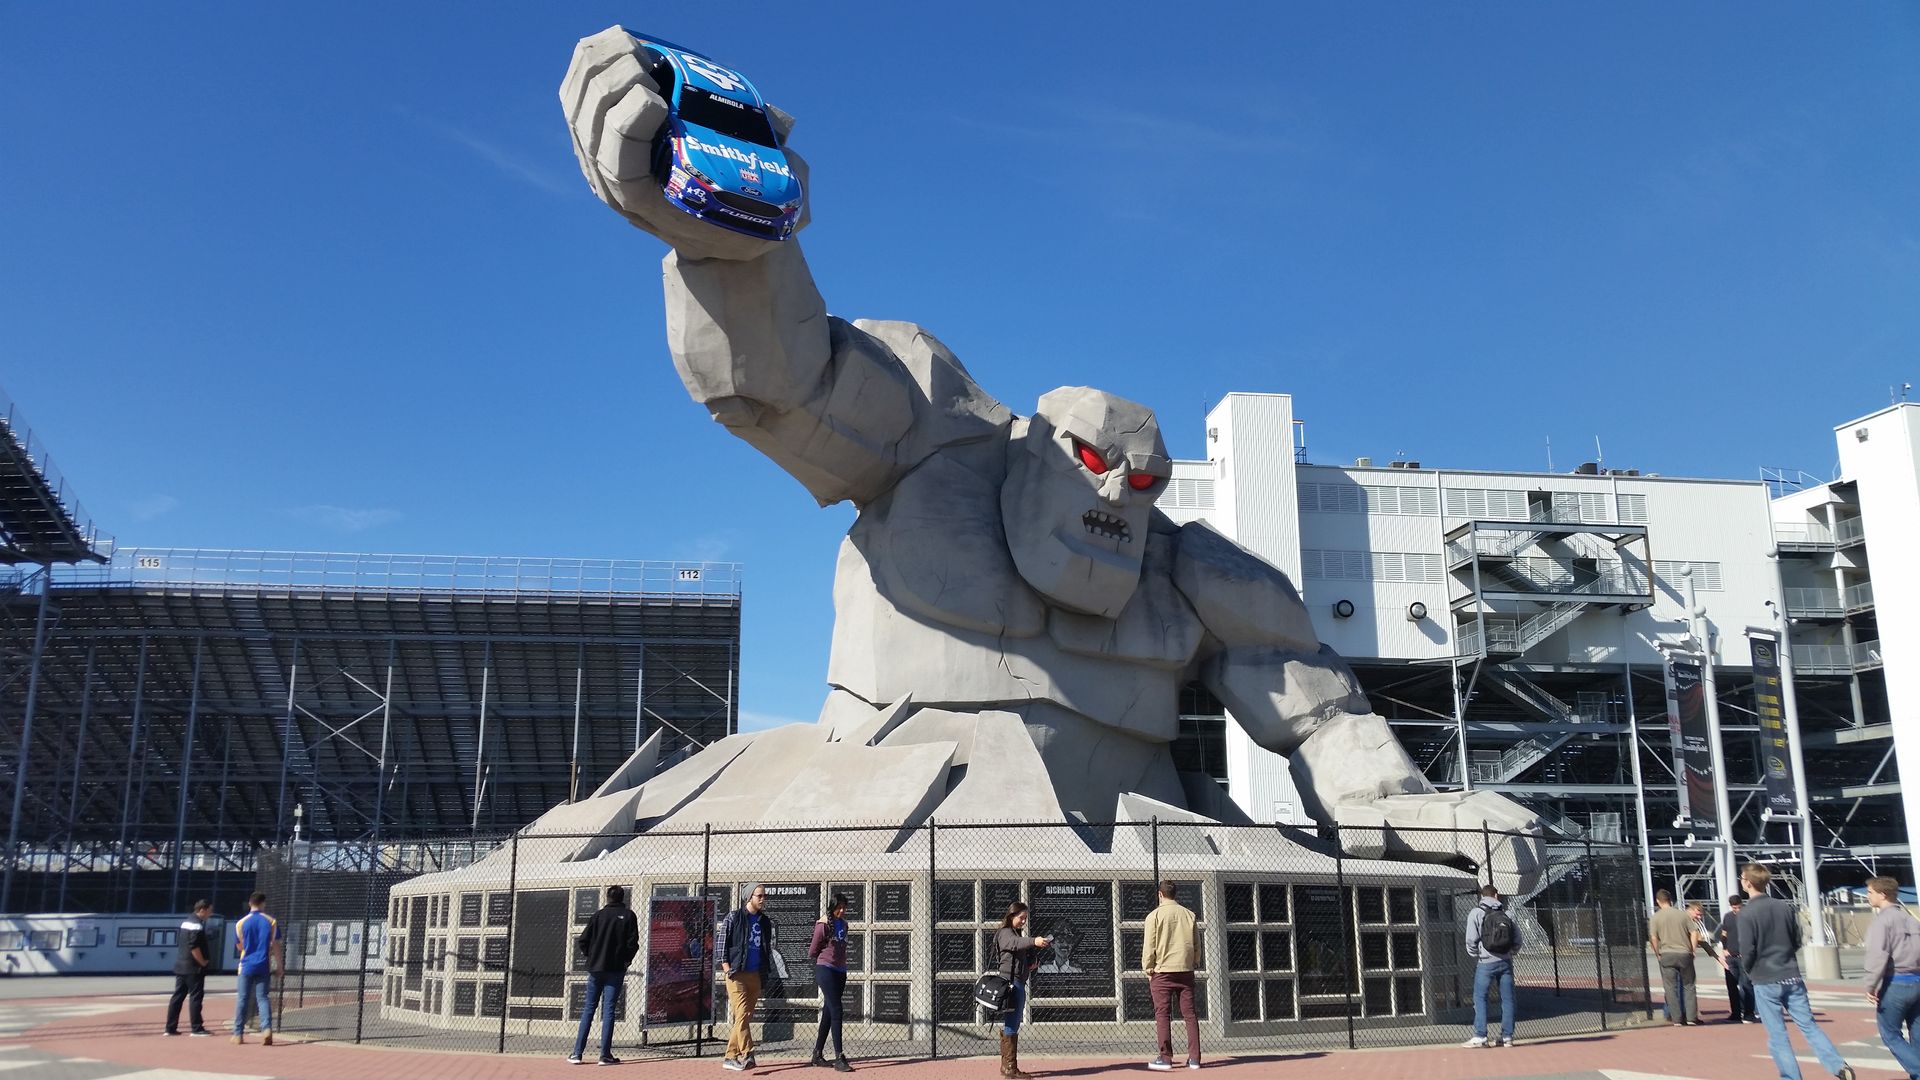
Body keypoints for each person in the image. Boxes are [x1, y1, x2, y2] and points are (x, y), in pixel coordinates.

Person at [1736, 863, 1855, 1080]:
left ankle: (1791, 1076)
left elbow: (1747, 949)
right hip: (1790, 973)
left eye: (1742, 877)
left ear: (1748, 882)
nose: (1741, 881)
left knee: (1778, 1035)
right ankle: (1838, 1065)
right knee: (1809, 1025)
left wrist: (1748, 970)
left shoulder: (1746, 914)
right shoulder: (1784, 907)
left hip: (1765, 977)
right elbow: (1797, 939)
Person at [569, 884, 640, 1067]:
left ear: (607, 897)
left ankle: (577, 1053)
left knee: (589, 1009)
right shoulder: (629, 916)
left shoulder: (598, 915)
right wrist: (626, 961)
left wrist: (591, 956)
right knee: (609, 1010)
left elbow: (583, 940)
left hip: (595, 968)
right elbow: (633, 943)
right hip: (615, 969)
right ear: (622, 898)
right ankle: (604, 1054)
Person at [1863, 875, 1920, 1077]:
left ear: (1882, 894)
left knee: (1890, 1033)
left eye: (1870, 892)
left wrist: (1870, 984)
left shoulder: (1882, 922)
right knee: (1917, 1032)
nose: (1867, 896)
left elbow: (1878, 955)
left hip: (1895, 982)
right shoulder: (1911, 919)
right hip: (1916, 980)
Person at [1142, 880, 1200, 1071]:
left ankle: (1165, 1058)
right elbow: (1196, 944)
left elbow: (1149, 946)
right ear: (1175, 894)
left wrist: (1148, 968)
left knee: (1162, 1014)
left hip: (1162, 972)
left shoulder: (1154, 916)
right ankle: (1194, 1059)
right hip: (1185, 970)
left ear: (1160, 894)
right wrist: (1194, 962)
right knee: (1190, 1014)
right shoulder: (1189, 915)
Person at [719, 883, 775, 1072]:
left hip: (755, 975)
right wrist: (727, 969)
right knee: (742, 1014)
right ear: (749, 897)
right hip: (736, 974)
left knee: (745, 1017)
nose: (762, 899)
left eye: (764, 895)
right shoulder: (734, 917)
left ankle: (729, 1056)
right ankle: (748, 1054)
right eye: (759, 895)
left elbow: (766, 947)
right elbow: (722, 944)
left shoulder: (765, 921)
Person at [994, 902, 1051, 1080]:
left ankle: (1007, 1066)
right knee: (1012, 1021)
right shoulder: (1005, 933)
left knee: (1013, 1021)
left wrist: (1030, 964)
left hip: (1017, 981)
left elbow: (1017, 953)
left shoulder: (1015, 934)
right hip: (1011, 984)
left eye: (1025, 919)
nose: (1023, 922)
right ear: (1012, 915)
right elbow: (1014, 943)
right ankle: (1010, 1068)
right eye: (1021, 918)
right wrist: (1034, 941)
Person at [1462, 884, 1519, 1047]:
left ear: (1481, 896)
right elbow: (1517, 939)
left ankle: (1480, 1035)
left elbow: (1471, 939)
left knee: (1480, 998)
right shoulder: (1507, 913)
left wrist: (1477, 954)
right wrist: (1510, 952)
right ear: (1497, 895)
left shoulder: (1476, 913)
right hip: (1506, 962)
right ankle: (1507, 1036)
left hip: (1486, 962)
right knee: (1508, 999)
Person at [809, 893, 854, 1072]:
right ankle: (839, 1056)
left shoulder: (844, 924)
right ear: (832, 906)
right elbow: (813, 950)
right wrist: (825, 956)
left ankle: (817, 1054)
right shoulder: (823, 924)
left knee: (829, 1011)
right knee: (837, 1009)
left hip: (840, 971)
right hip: (825, 969)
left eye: (844, 907)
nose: (842, 910)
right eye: (839, 907)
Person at [231, 891, 281, 1045]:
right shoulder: (271, 921)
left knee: (242, 999)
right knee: (263, 998)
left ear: (250, 903)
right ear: (263, 903)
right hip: (263, 964)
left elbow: (239, 946)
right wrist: (279, 965)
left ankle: (238, 1033)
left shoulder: (241, 923)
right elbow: (276, 945)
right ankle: (266, 1029)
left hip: (246, 965)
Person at [163, 899, 214, 1037]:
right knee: (196, 997)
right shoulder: (197, 925)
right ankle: (196, 1028)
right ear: (203, 909)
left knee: (178, 996)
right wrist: (202, 962)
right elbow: (194, 946)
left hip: (181, 966)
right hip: (193, 967)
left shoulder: (186, 922)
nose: (211, 913)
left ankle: (170, 1027)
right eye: (210, 910)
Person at [1648, 890, 1699, 1026]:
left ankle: (1676, 1019)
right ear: (1670, 900)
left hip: (1666, 953)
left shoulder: (1655, 918)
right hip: (1684, 952)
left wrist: (1657, 952)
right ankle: (1691, 1017)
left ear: (1658, 901)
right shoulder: (1682, 915)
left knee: (1670, 987)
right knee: (1689, 985)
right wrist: (1692, 949)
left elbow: (1653, 937)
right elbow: (1694, 932)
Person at [1688, 902, 1732, 1019]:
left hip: (1680, 956)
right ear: (1691, 910)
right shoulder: (1687, 922)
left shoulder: (1693, 922)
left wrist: (1717, 958)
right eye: (1697, 914)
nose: (1699, 917)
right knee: (1687, 985)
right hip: (1683, 955)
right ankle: (1689, 1014)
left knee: (1678, 985)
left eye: (1700, 915)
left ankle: (1678, 1012)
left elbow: (1702, 940)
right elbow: (1699, 939)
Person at [1721, 894, 1758, 1024]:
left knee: (1746, 985)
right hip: (1731, 955)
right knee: (1731, 985)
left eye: (1739, 907)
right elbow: (1724, 934)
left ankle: (1749, 1013)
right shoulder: (1728, 917)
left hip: (1744, 955)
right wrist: (1724, 948)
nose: (1737, 910)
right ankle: (1735, 1013)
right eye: (1734, 908)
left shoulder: (1749, 916)